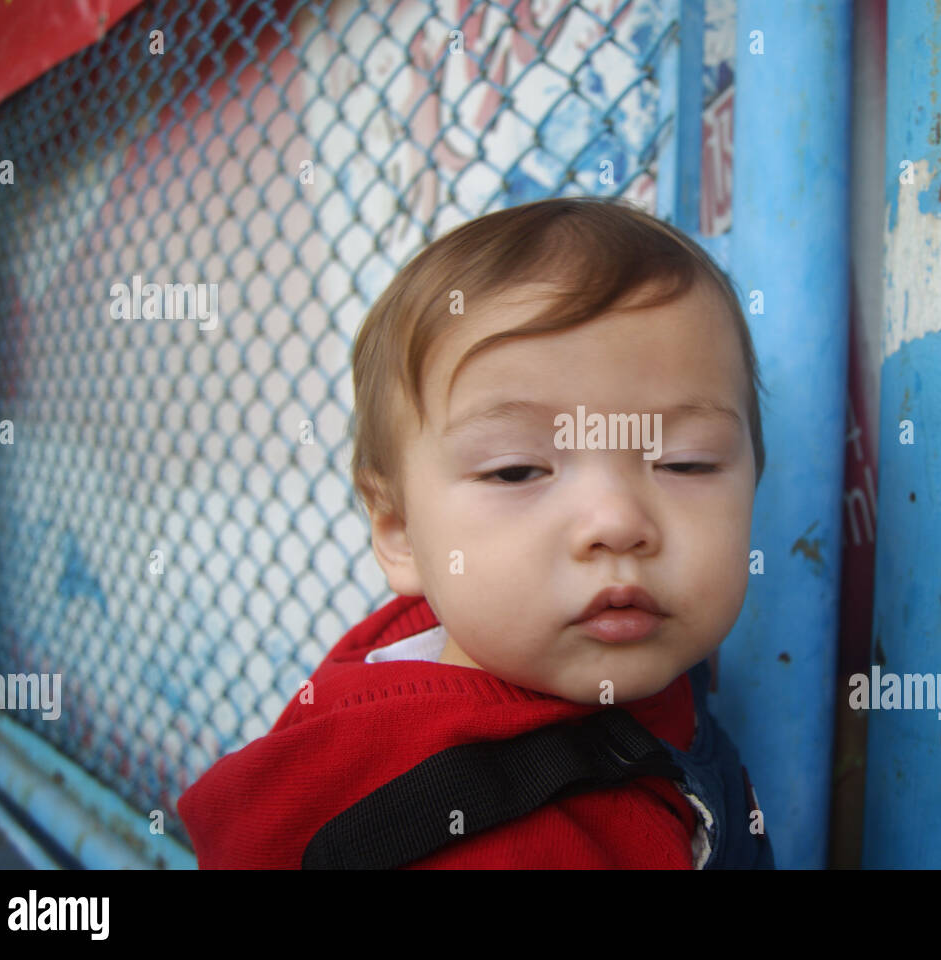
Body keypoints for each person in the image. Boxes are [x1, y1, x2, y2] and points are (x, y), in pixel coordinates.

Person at [177, 196, 775, 868]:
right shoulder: (506, 843)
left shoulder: (434, 640)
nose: (617, 524)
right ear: (399, 531)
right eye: (517, 471)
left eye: (683, 462)